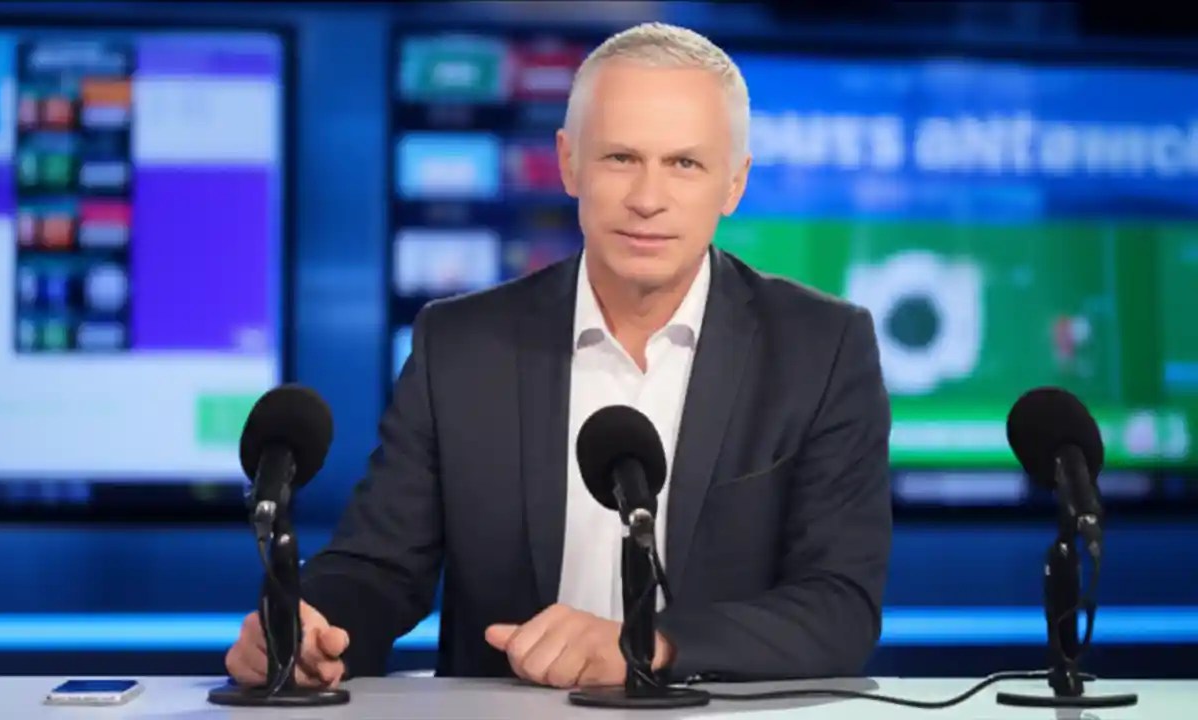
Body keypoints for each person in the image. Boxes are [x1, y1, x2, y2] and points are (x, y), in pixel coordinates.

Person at [224, 21, 892, 691]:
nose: (648, 199)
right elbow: (378, 566)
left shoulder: (821, 348)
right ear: (569, 163)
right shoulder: (460, 345)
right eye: (620, 158)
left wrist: (650, 646)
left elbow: (839, 607)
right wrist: (307, 628)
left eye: (684, 164)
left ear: (734, 183)